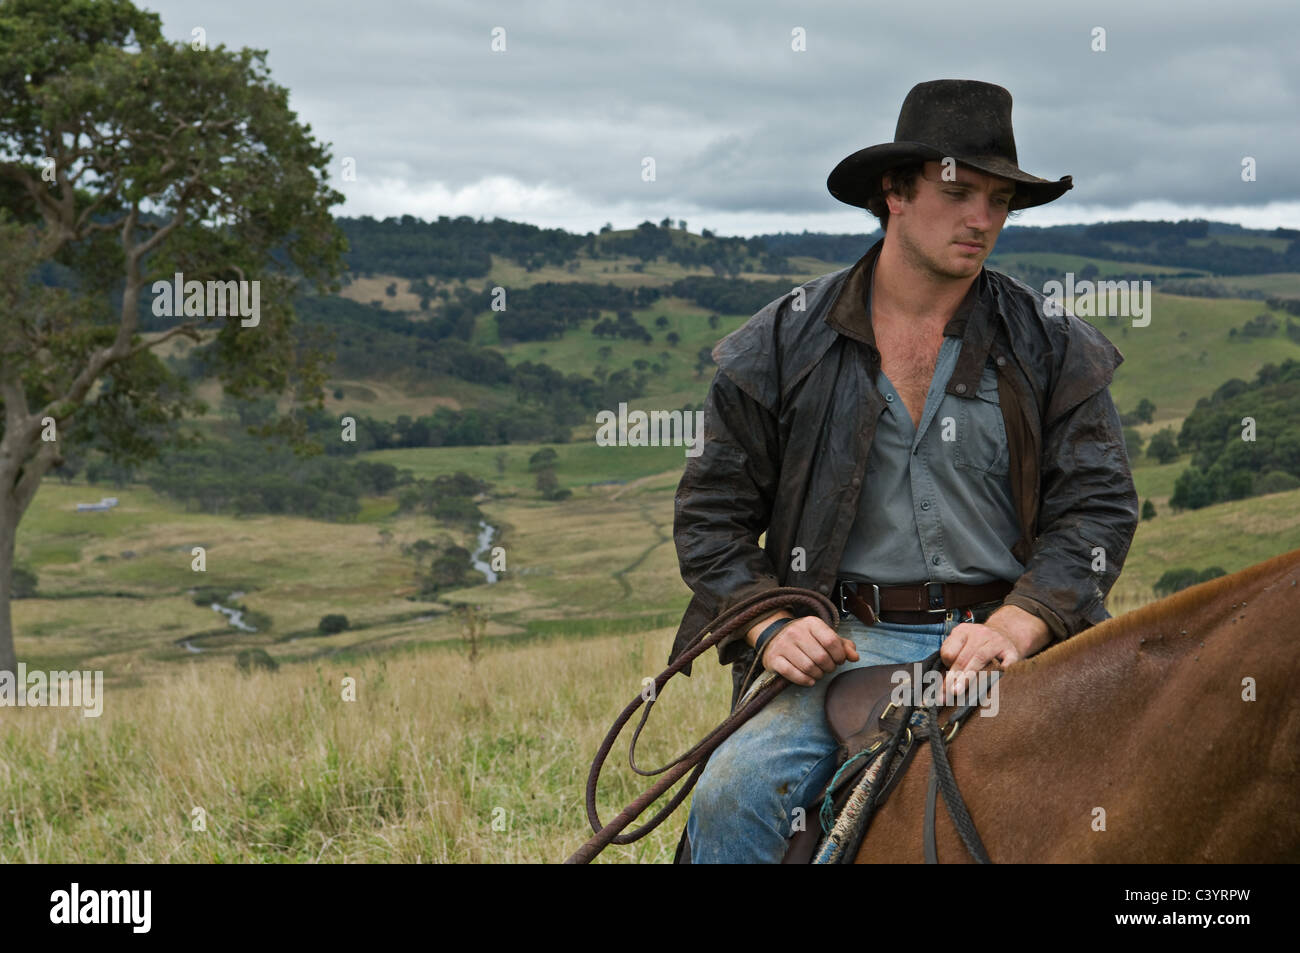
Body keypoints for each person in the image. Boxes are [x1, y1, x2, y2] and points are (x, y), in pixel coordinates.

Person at [670, 79, 1140, 863]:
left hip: (1011, 638)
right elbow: (711, 517)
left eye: (999, 200)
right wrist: (770, 623)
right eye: (959, 191)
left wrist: (1018, 625)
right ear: (893, 191)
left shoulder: (1053, 345)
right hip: (848, 644)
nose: (982, 219)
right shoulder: (781, 345)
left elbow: (1098, 509)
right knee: (731, 794)